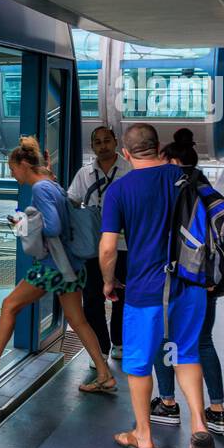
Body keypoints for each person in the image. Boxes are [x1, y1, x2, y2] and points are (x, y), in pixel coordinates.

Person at [100, 123, 215, 448]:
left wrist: (108, 281)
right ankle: (199, 425)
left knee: (138, 363)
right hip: (189, 285)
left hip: (145, 290)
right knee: (185, 354)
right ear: (159, 147)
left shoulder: (120, 191)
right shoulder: (186, 178)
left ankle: (143, 435)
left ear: (125, 152)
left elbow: (108, 249)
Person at [0, 136, 115, 392]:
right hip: (70, 266)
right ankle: (104, 373)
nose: (13, 175)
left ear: (24, 163)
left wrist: (22, 224)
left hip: (52, 266)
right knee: (77, 320)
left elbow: (53, 225)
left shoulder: (40, 189)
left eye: (13, 169)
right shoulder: (51, 184)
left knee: (9, 305)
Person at [150, 141, 224, 434]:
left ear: (171, 161)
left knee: (165, 339)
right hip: (209, 280)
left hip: (182, 281)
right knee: (204, 341)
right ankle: (218, 411)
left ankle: (168, 403)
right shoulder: (208, 190)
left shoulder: (177, 191)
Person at [68, 125, 130, 364]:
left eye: (107, 141)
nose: (103, 146)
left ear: (115, 142)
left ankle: (120, 342)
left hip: (123, 245)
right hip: (93, 247)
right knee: (92, 300)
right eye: (98, 142)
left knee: (122, 296)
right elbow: (71, 201)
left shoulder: (129, 170)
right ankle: (101, 349)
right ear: (92, 146)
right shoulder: (85, 174)